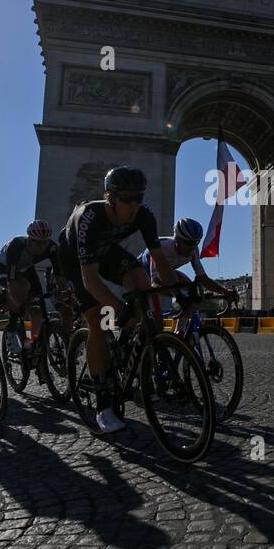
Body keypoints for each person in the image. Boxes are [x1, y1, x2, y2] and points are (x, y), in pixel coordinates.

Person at [55, 166, 175, 433]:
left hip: (106, 251)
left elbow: (160, 261)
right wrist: (118, 307)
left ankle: (127, 345)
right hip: (74, 259)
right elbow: (91, 280)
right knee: (98, 318)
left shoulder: (143, 216)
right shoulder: (89, 217)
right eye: (126, 199)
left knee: (141, 280)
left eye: (138, 199)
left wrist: (181, 292)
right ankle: (102, 403)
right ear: (110, 197)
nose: (133, 206)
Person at [139, 217, 238, 330]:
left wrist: (225, 291)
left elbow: (203, 278)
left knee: (191, 289)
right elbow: (155, 284)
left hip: (167, 273)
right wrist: (178, 295)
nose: (191, 247)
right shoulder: (162, 248)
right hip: (143, 273)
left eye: (195, 242)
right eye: (188, 242)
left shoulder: (193, 250)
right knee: (158, 322)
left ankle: (179, 334)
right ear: (177, 240)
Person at [0, 220, 64, 357]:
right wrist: (19, 305)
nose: (42, 246)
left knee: (37, 306)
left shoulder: (51, 247)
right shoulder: (16, 246)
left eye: (45, 242)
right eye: (38, 243)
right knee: (21, 293)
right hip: (4, 269)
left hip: (26, 269)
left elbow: (59, 275)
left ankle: (33, 342)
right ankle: (11, 329)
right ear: (30, 240)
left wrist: (63, 291)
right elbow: (12, 282)